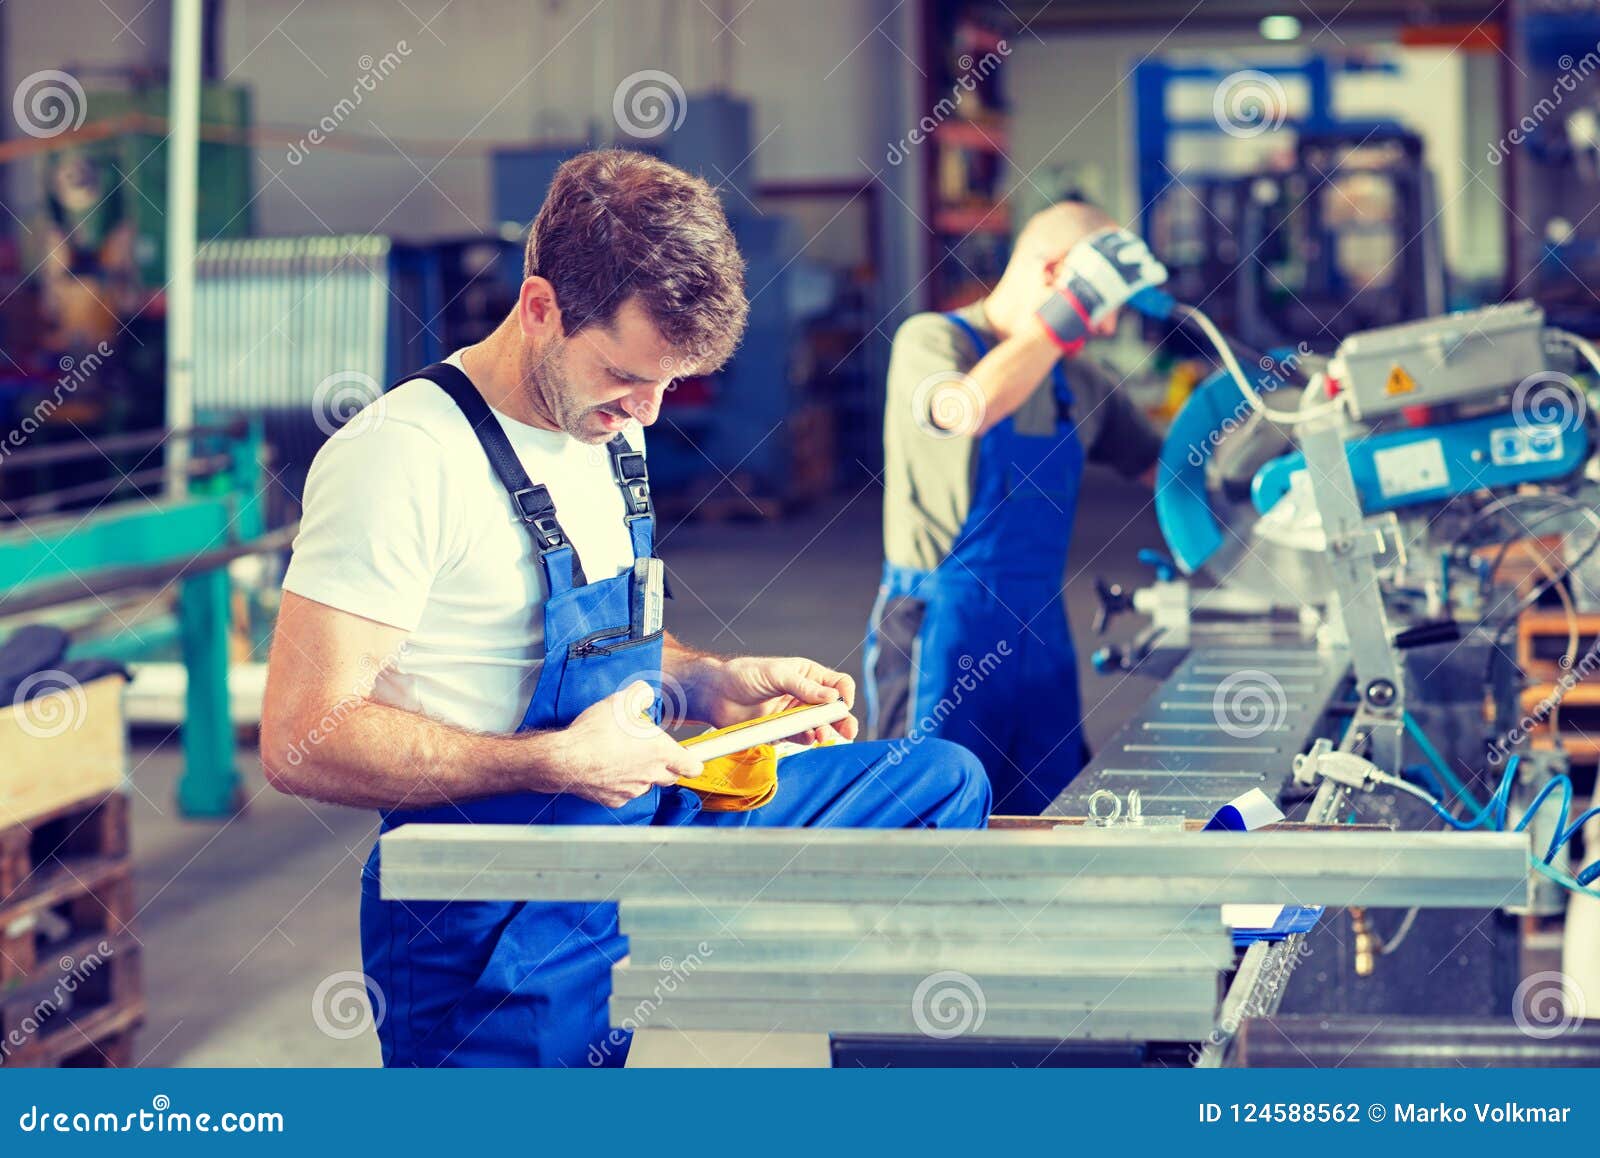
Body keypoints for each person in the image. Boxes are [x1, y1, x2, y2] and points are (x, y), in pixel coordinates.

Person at [260, 149, 989, 1069]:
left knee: (941, 781)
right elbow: (300, 737)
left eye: (668, 386)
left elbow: (611, 643)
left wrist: (708, 684)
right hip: (493, 894)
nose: (645, 412)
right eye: (625, 377)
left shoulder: (607, 426)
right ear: (539, 309)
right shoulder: (402, 457)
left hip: (632, 815)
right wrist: (556, 762)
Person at [863, 202, 1167, 815]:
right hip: (942, 632)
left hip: (1042, 633)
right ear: (1058, 277)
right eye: (1100, 307)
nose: (1106, 330)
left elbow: (1172, 472)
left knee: (1050, 811)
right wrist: (1067, 317)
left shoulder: (1079, 380)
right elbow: (968, 408)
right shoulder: (934, 340)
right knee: (923, 816)